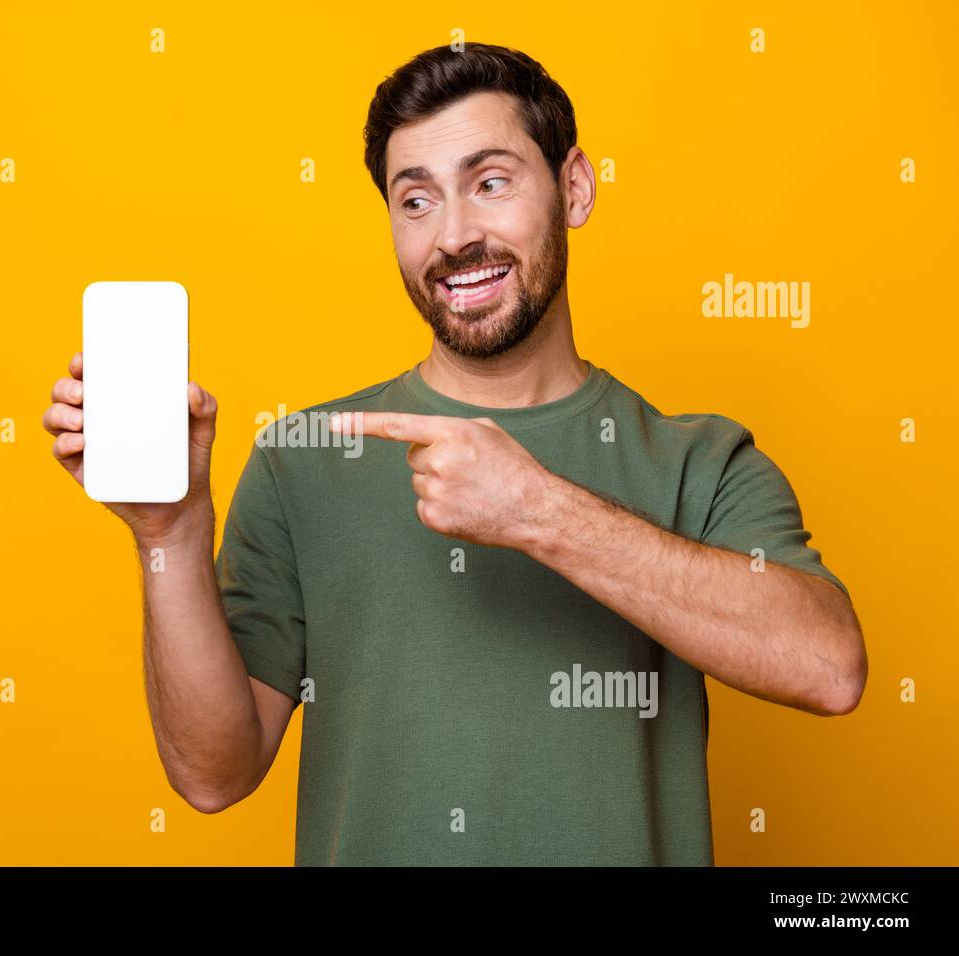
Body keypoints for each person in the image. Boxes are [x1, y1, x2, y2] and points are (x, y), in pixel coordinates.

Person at [43, 42, 867, 866]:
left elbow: (829, 668)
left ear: (573, 188)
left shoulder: (702, 461)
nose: (455, 236)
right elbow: (213, 775)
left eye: (491, 182)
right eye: (416, 200)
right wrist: (170, 536)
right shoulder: (302, 460)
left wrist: (539, 512)